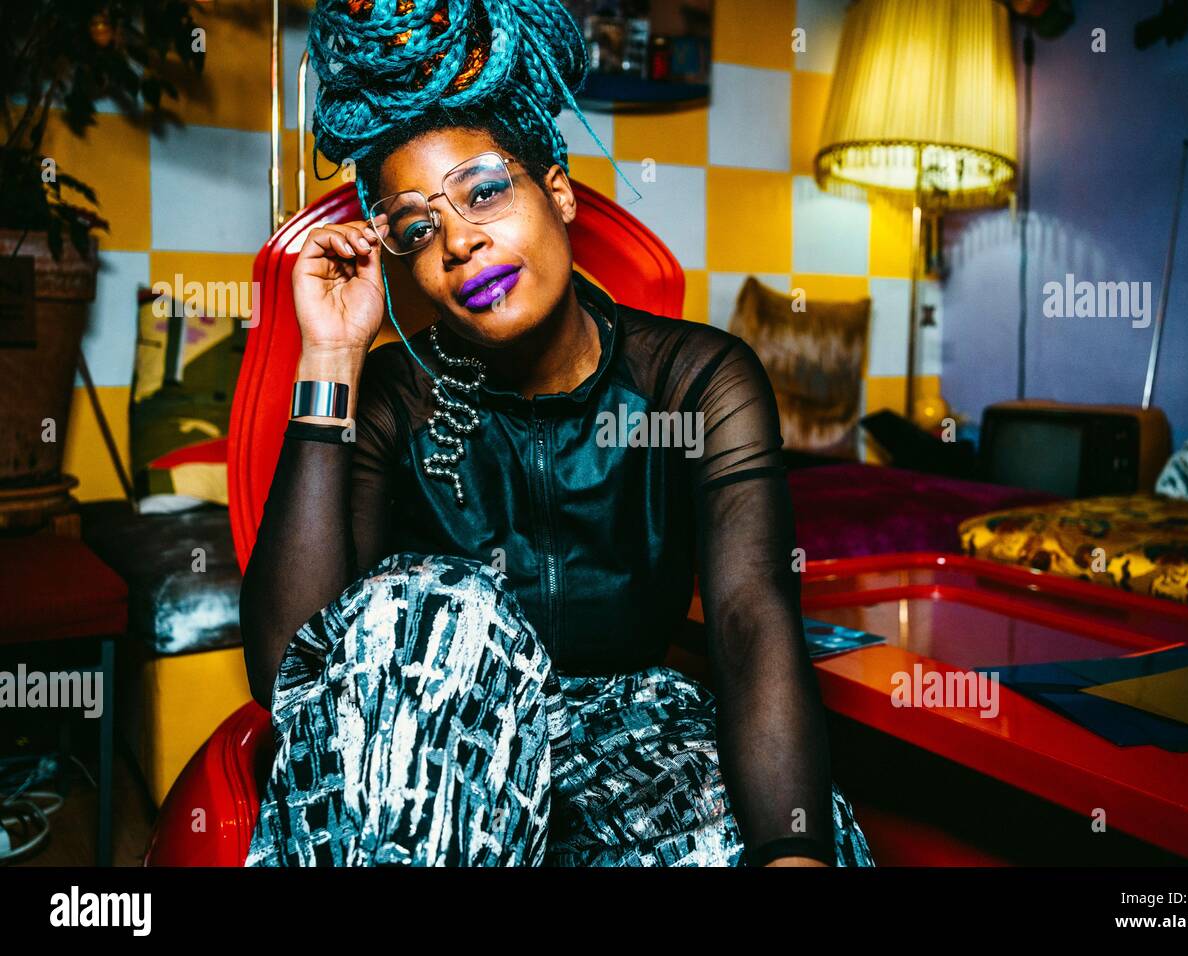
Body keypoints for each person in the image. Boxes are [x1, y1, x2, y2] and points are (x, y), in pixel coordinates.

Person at [240, 0, 874, 868]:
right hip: (431, 764)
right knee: (438, 606)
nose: (460, 240)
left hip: (631, 746)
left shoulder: (697, 380)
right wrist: (332, 354)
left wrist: (790, 856)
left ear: (559, 192)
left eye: (486, 190)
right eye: (418, 229)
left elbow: (751, 622)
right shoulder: (393, 391)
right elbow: (292, 677)